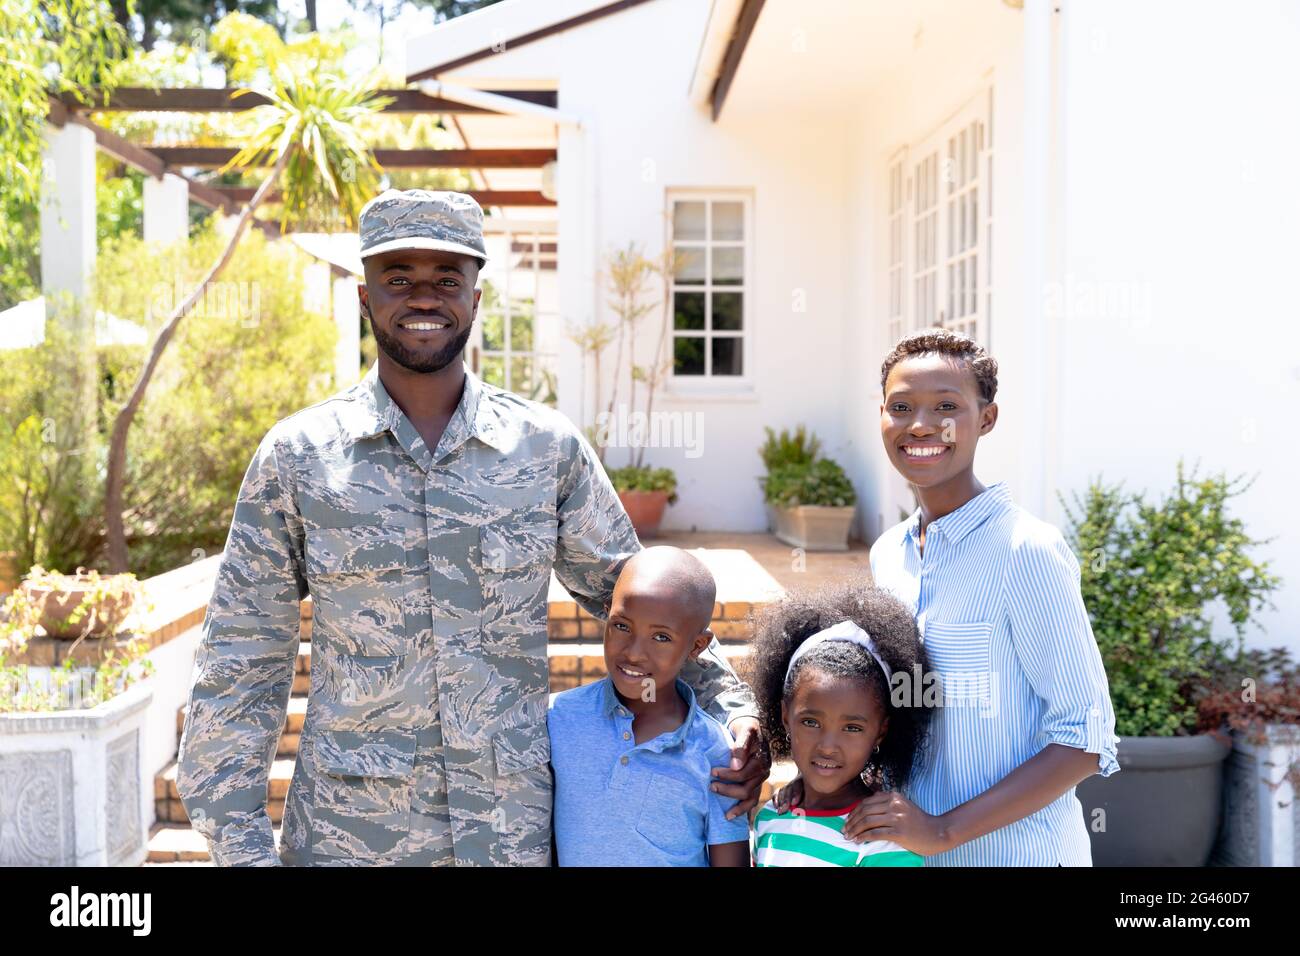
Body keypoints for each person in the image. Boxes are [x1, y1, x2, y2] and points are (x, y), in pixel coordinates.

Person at [176, 189, 770, 866]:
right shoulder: (298, 459)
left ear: (477, 299)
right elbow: (241, 661)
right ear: (365, 299)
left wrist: (733, 710)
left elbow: (636, 600)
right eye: (398, 278)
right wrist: (242, 846)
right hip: (351, 840)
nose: (423, 298)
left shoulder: (545, 450)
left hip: (507, 836)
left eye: (446, 280)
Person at [777, 328, 1120, 865]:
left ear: (986, 418)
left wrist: (942, 831)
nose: (920, 425)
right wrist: (820, 781)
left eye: (946, 406)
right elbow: (877, 710)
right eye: (901, 406)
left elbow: (1085, 738)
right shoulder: (888, 554)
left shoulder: (1027, 550)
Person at [547, 546, 750, 866]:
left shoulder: (715, 752)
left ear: (697, 646)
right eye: (622, 626)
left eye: (661, 638)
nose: (634, 653)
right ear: (606, 614)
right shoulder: (559, 720)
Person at [746, 582, 929, 867]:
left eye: (853, 728)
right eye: (810, 721)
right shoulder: (770, 818)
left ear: (881, 731)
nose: (828, 746)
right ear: (785, 718)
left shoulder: (883, 839)